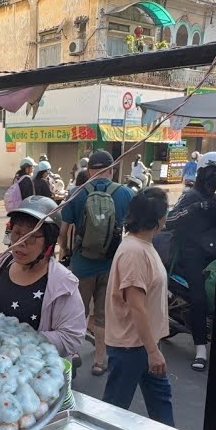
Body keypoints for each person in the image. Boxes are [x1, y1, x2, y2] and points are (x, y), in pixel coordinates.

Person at [0, 195, 86, 358]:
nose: (21, 242)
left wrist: (22, 342)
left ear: (49, 241)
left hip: (31, 375)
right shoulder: (1, 264)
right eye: (16, 233)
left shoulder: (62, 283)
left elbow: (72, 337)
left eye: (32, 237)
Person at [58, 150, 134, 376]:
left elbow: (63, 230)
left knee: (76, 313)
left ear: (89, 170)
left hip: (82, 263)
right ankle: (100, 362)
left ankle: (73, 356)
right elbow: (130, 232)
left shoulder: (76, 193)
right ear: (112, 169)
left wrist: (66, 252)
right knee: (102, 315)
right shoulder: (125, 193)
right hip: (111, 264)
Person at [103, 187, 173, 426]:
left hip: (144, 343)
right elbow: (136, 306)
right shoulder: (134, 251)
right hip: (132, 347)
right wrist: (152, 351)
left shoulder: (143, 246)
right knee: (113, 410)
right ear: (157, 219)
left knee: (161, 403)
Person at [165, 151, 216, 372]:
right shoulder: (191, 196)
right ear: (202, 172)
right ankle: (201, 349)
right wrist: (194, 209)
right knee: (199, 298)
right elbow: (169, 221)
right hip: (189, 256)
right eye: (213, 172)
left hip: (214, 256)